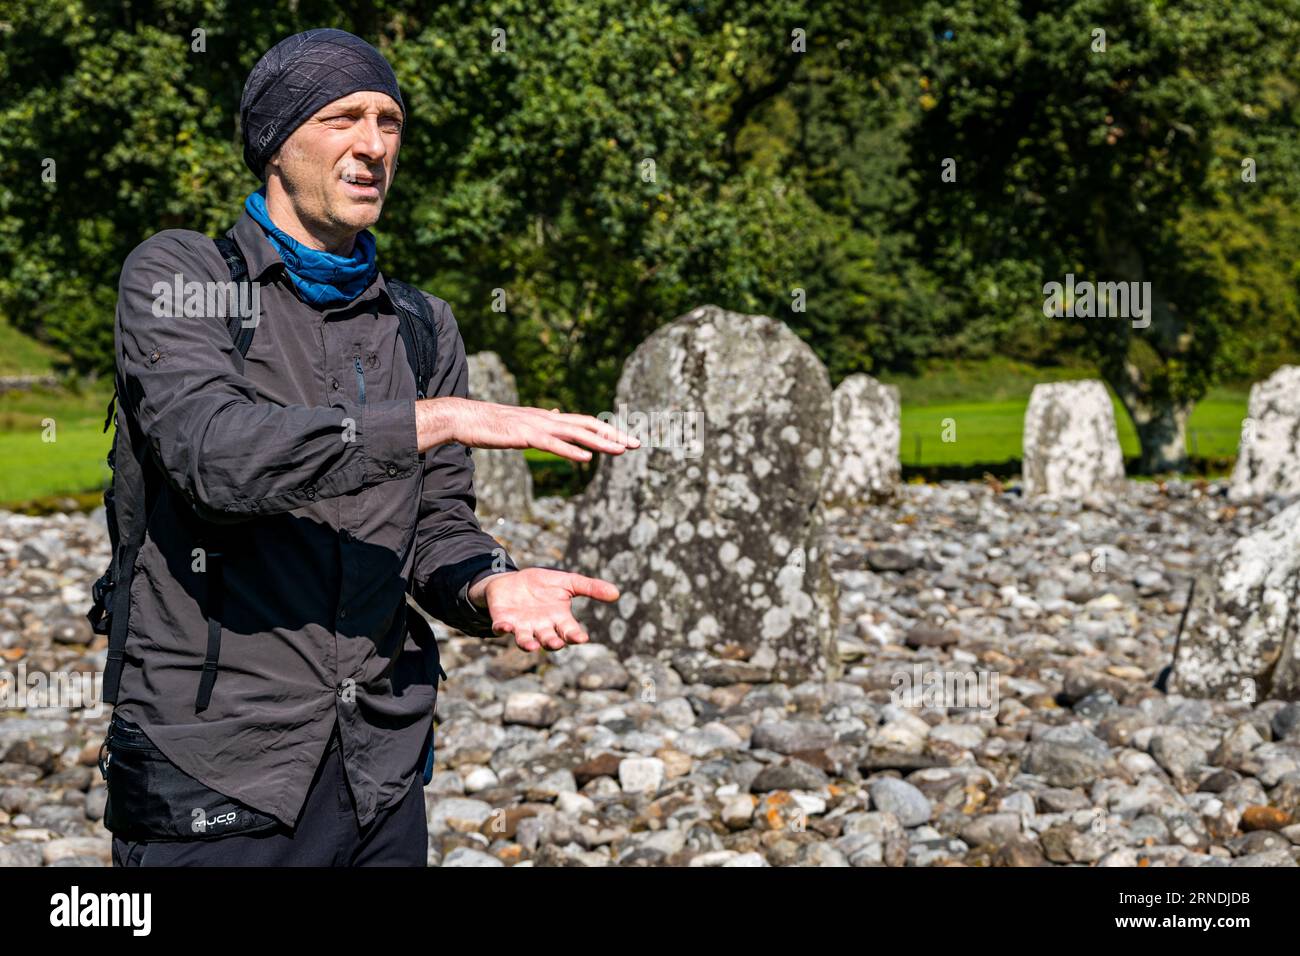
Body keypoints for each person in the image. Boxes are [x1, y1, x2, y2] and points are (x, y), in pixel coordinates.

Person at [104, 27, 638, 867]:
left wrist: (488, 582)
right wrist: (433, 418)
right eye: (342, 118)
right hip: (216, 770)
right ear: (276, 143)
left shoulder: (421, 325)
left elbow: (435, 529)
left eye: (389, 122)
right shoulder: (182, 276)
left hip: (379, 773)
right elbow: (213, 454)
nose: (373, 145)